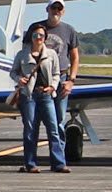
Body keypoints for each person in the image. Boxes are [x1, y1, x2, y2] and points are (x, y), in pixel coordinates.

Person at [10, 26, 68, 173]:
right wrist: (19, 79)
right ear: (31, 37)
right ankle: (30, 164)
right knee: (30, 129)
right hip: (29, 96)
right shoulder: (21, 55)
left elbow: (56, 74)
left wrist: (53, 87)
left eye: (41, 35)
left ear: (45, 37)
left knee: (53, 129)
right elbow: (13, 72)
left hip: (46, 95)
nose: (38, 38)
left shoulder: (51, 54)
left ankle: (59, 164)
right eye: (35, 35)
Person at [28, 0, 80, 127]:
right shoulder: (35, 28)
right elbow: (25, 52)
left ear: (63, 11)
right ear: (47, 9)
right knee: (32, 118)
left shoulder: (69, 30)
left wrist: (71, 81)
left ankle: (58, 146)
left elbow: (75, 57)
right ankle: (31, 146)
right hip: (38, 78)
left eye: (59, 8)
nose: (56, 11)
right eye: (53, 8)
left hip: (61, 77)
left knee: (59, 118)